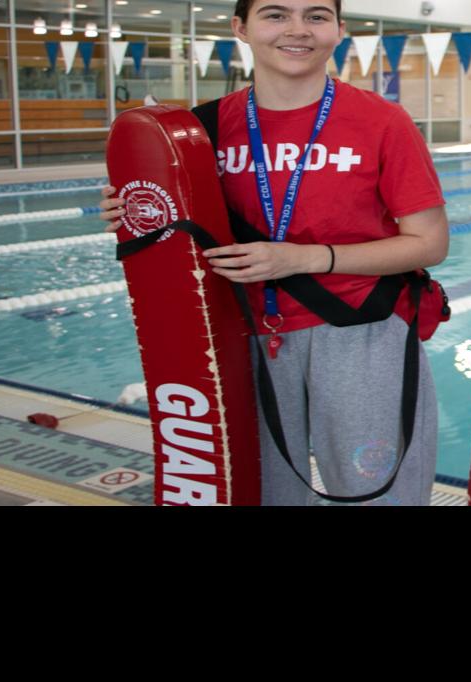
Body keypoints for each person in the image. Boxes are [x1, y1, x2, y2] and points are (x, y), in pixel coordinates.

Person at [100, 0, 448, 505]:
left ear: (338, 30)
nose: (298, 30)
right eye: (276, 14)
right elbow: (173, 239)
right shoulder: (200, 132)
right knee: (262, 493)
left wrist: (306, 258)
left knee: (378, 494)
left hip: (360, 330)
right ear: (241, 27)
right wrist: (133, 211)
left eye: (316, 16)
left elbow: (430, 243)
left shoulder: (382, 122)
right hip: (241, 335)